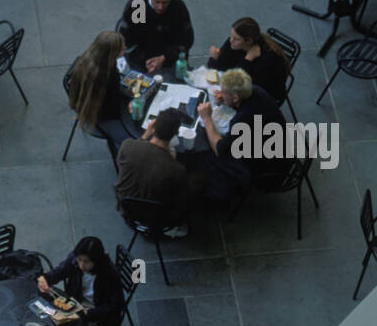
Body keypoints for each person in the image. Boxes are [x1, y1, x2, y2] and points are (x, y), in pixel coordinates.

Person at [196, 68, 289, 203]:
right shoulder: (256, 90)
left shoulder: (244, 118)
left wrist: (207, 119)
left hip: (266, 167)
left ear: (236, 97)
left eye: (223, 92)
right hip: (281, 147)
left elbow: (220, 150)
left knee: (206, 153)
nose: (220, 93)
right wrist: (226, 99)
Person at [114, 107, 193, 237]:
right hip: (156, 219)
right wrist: (170, 160)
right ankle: (175, 229)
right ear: (176, 133)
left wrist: (145, 135)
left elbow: (123, 165)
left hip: (127, 210)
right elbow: (181, 200)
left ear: (154, 126)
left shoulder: (127, 145)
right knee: (197, 182)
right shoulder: (176, 169)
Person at [38, 236, 124, 326]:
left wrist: (90, 313)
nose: (81, 265)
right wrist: (44, 278)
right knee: (47, 315)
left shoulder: (110, 274)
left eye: (86, 261)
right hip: (76, 300)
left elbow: (116, 305)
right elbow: (59, 272)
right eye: (79, 260)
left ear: (96, 260)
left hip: (96, 307)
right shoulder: (74, 259)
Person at [66, 30, 129, 155]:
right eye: (121, 49)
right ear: (112, 54)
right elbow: (112, 109)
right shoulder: (108, 76)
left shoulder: (86, 60)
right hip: (100, 117)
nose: (125, 49)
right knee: (128, 141)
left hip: (87, 108)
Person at [118, 0, 194, 75]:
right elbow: (128, 39)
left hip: (169, 55)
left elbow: (186, 39)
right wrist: (146, 61)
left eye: (165, 2)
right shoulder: (139, 7)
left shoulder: (177, 7)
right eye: (157, 2)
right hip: (141, 57)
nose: (160, 7)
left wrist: (164, 57)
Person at [208, 17, 289, 104]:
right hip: (243, 92)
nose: (231, 40)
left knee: (254, 117)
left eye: (236, 39)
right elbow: (215, 68)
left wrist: (247, 60)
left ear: (249, 41)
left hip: (265, 100)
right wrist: (215, 59)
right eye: (231, 36)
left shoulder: (267, 60)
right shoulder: (234, 44)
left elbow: (243, 86)